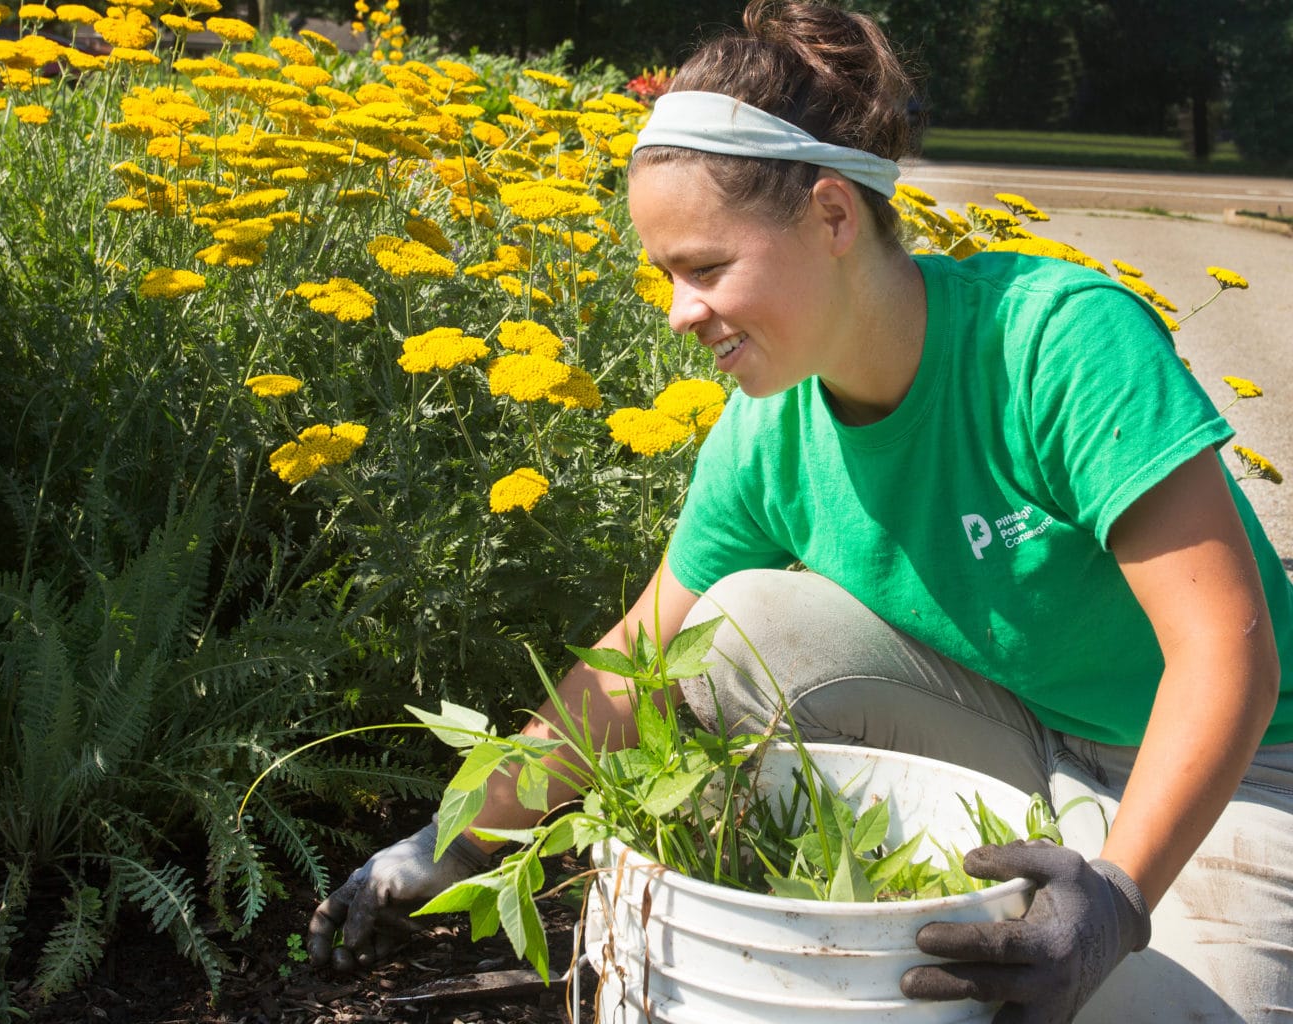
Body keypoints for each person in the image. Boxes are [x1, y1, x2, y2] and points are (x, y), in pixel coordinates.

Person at [306, 1, 1293, 1019]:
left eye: (706, 268)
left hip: (1237, 773)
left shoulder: (1054, 344)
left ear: (830, 214)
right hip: (1021, 741)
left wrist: (1118, 897)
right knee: (726, 628)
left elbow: (1229, 651)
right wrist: (449, 843)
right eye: (666, 276)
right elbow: (627, 669)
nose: (681, 311)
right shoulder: (767, 433)